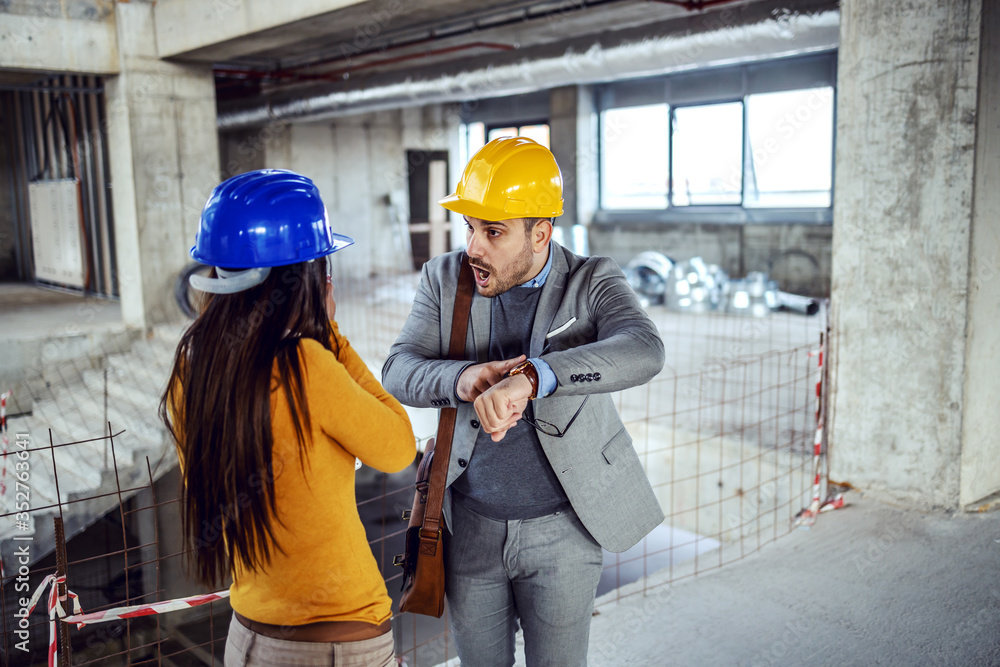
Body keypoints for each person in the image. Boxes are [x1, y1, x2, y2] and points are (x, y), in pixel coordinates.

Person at [382, 137, 665, 665]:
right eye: (470, 227)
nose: (473, 247)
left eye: (493, 232)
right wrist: (463, 378)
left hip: (566, 531)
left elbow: (645, 349)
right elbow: (398, 369)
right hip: (469, 529)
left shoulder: (592, 281)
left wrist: (537, 376)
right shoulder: (444, 280)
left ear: (541, 234)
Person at [160, 169, 415, 667]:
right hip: (335, 646)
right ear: (305, 278)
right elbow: (398, 445)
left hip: (248, 640)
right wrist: (329, 331)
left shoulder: (194, 375)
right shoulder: (306, 364)